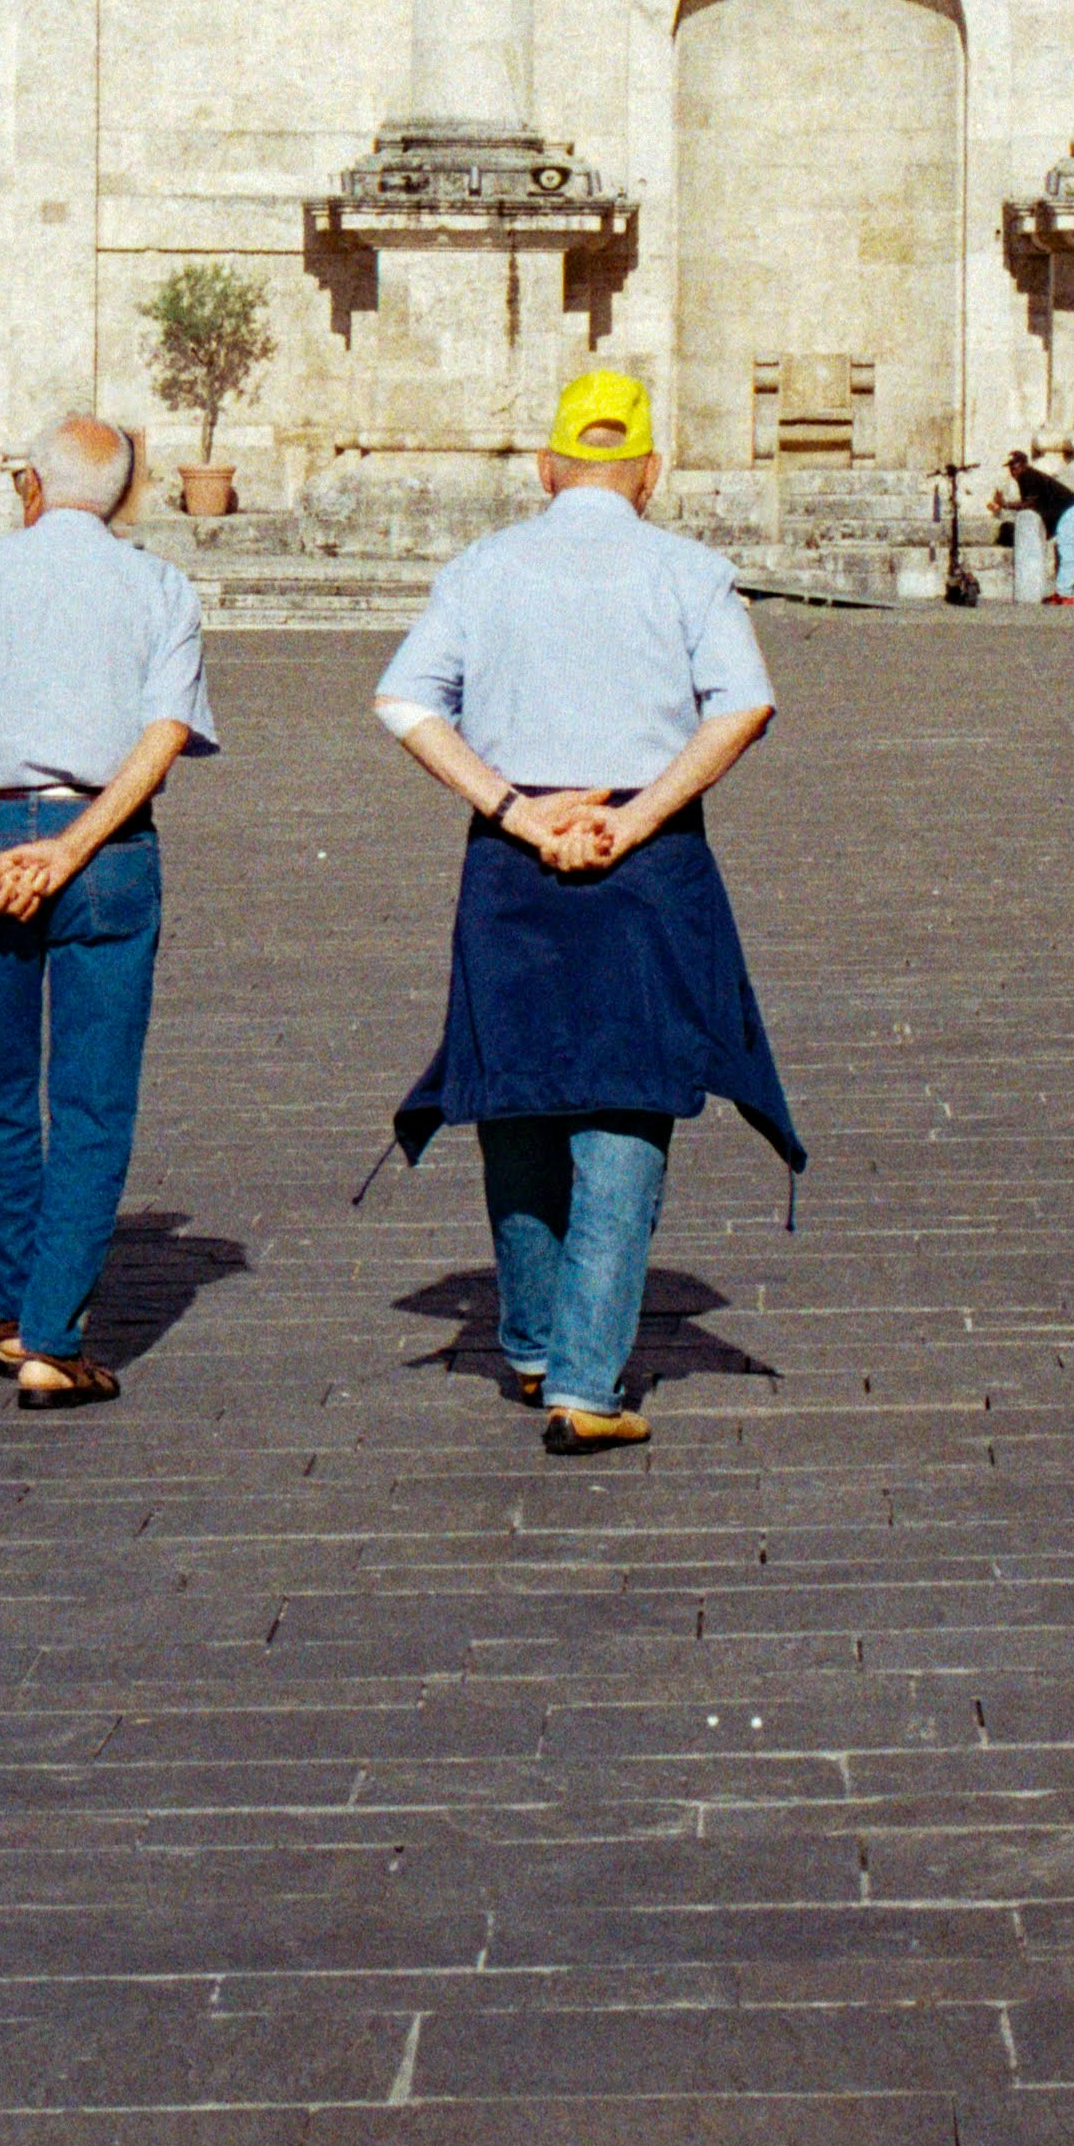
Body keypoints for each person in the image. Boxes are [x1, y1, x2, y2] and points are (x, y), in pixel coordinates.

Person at [374, 367, 805, 1458]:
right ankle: (583, 1380)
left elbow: (404, 699)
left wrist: (516, 810)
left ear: (545, 466)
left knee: (514, 1092)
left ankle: (524, 1342)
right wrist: (638, 812)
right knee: (624, 1101)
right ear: (650, 471)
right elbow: (743, 703)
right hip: (645, 864)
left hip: (512, 861)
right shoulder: (689, 569)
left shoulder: (482, 565)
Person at [0, 411, 216, 1411]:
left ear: (29, 482)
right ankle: (50, 1331)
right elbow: (163, 733)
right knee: (90, 1097)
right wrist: (69, 847)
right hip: (105, 848)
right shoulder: (159, 584)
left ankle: (7, 1296)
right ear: (122, 493)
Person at [996, 447, 1074, 603]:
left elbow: (1029, 503)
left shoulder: (1028, 476)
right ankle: (1068, 593)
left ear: (1024, 465)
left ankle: (1065, 594)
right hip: (1064, 510)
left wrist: (1006, 504)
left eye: (1015, 466)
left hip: (1069, 508)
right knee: (1066, 548)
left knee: (1067, 548)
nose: (1013, 471)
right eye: (1010, 467)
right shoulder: (1025, 479)